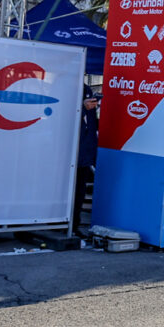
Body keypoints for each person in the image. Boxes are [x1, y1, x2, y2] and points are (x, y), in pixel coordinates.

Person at [73, 85, 98, 237]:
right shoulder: (66, 85)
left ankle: (74, 225)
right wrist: (82, 107)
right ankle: (60, 224)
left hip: (84, 154)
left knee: (79, 192)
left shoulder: (85, 88)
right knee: (68, 190)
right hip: (68, 152)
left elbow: (92, 126)